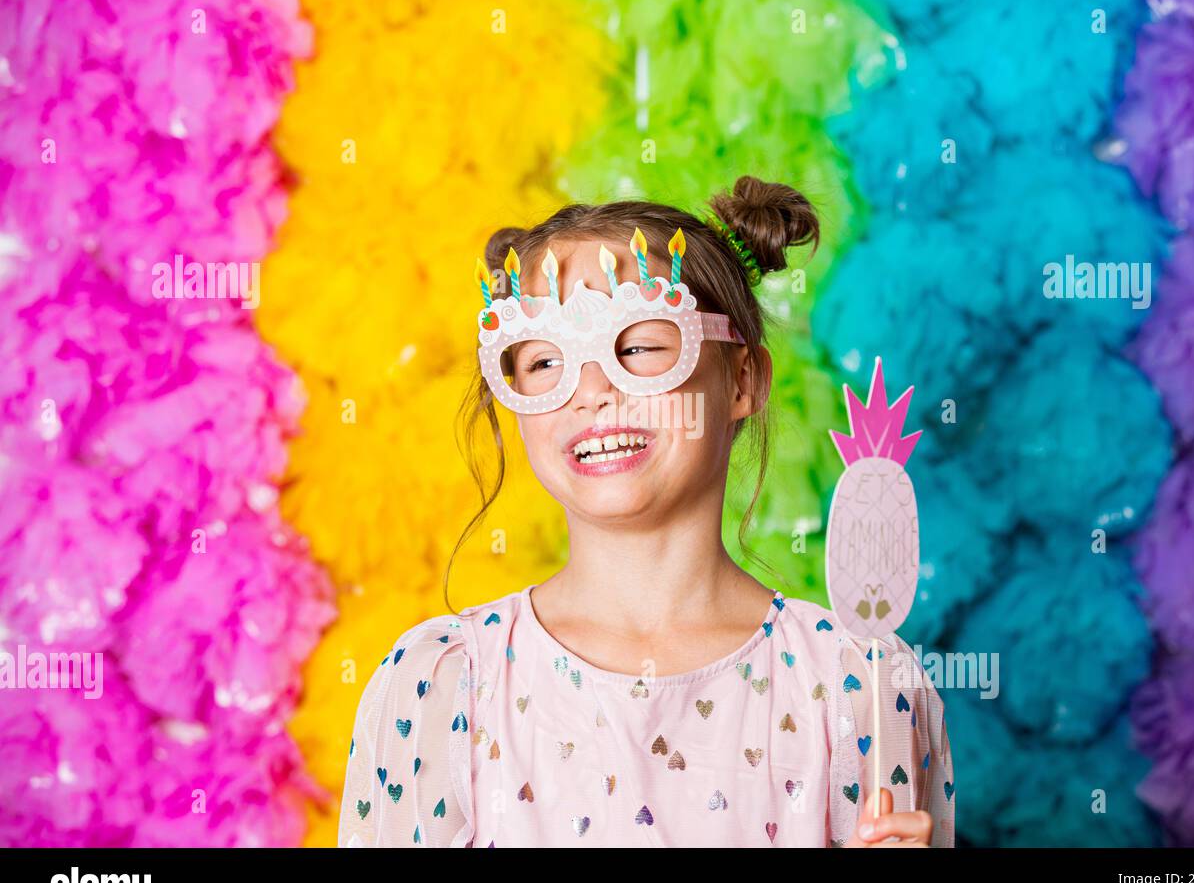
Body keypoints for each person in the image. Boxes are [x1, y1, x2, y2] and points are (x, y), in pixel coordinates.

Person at [338, 176, 955, 847]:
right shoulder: (441, 684)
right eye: (545, 361)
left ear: (743, 381)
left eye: (637, 348)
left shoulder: (855, 684)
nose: (593, 391)